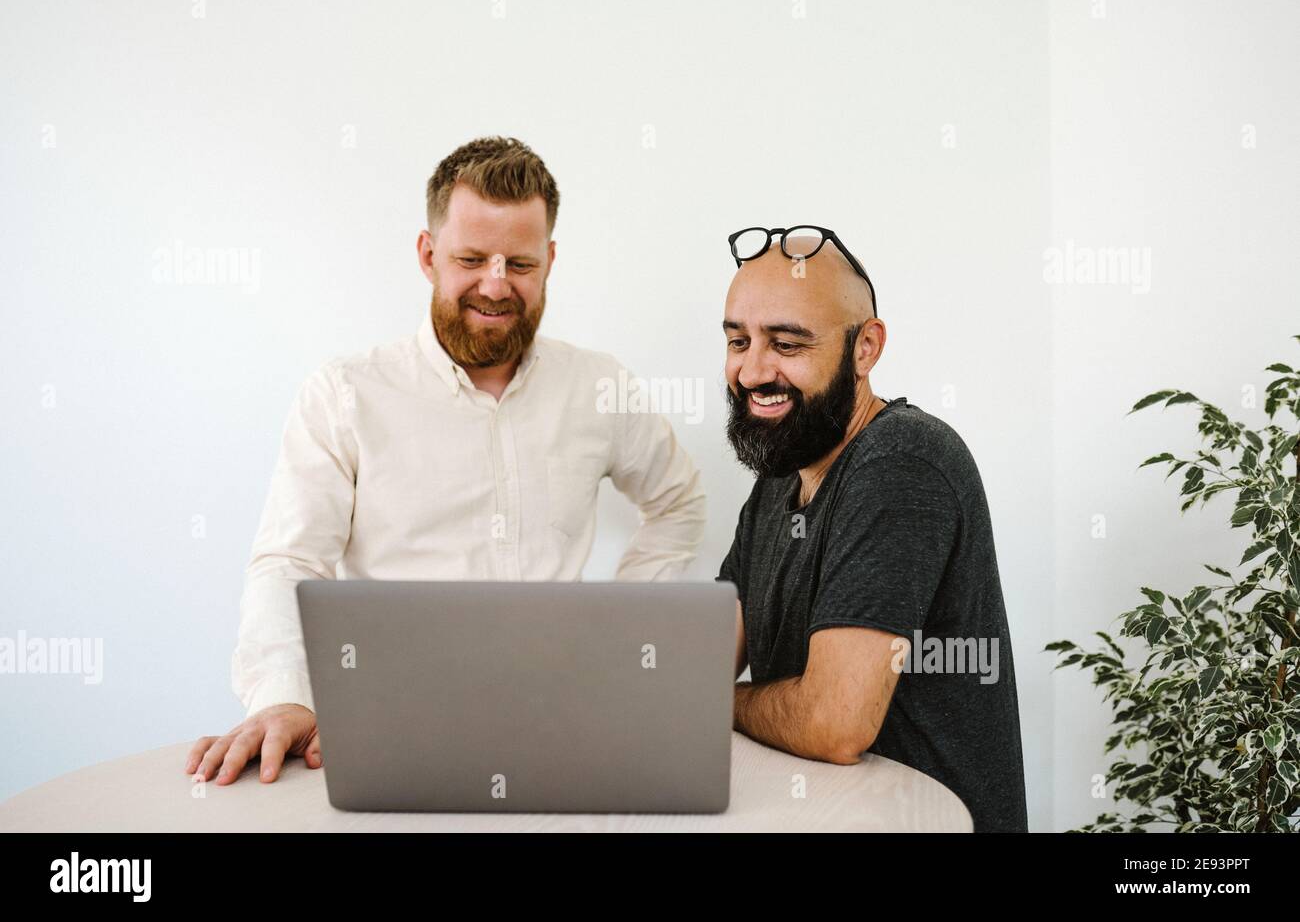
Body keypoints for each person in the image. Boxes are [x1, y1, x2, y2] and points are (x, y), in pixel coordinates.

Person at [186, 137, 706, 787]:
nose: (496, 284)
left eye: (520, 262)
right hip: (387, 724)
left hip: (560, 721)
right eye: (471, 259)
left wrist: (621, 624)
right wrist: (284, 695)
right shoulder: (344, 393)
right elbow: (291, 559)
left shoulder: (599, 387)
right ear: (428, 256)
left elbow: (678, 501)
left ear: (549, 261)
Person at [718, 225, 1027, 832]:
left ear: (866, 348)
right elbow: (701, 656)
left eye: (786, 344)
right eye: (737, 341)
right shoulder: (781, 477)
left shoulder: (903, 459)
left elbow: (835, 723)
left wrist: (712, 704)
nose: (752, 371)